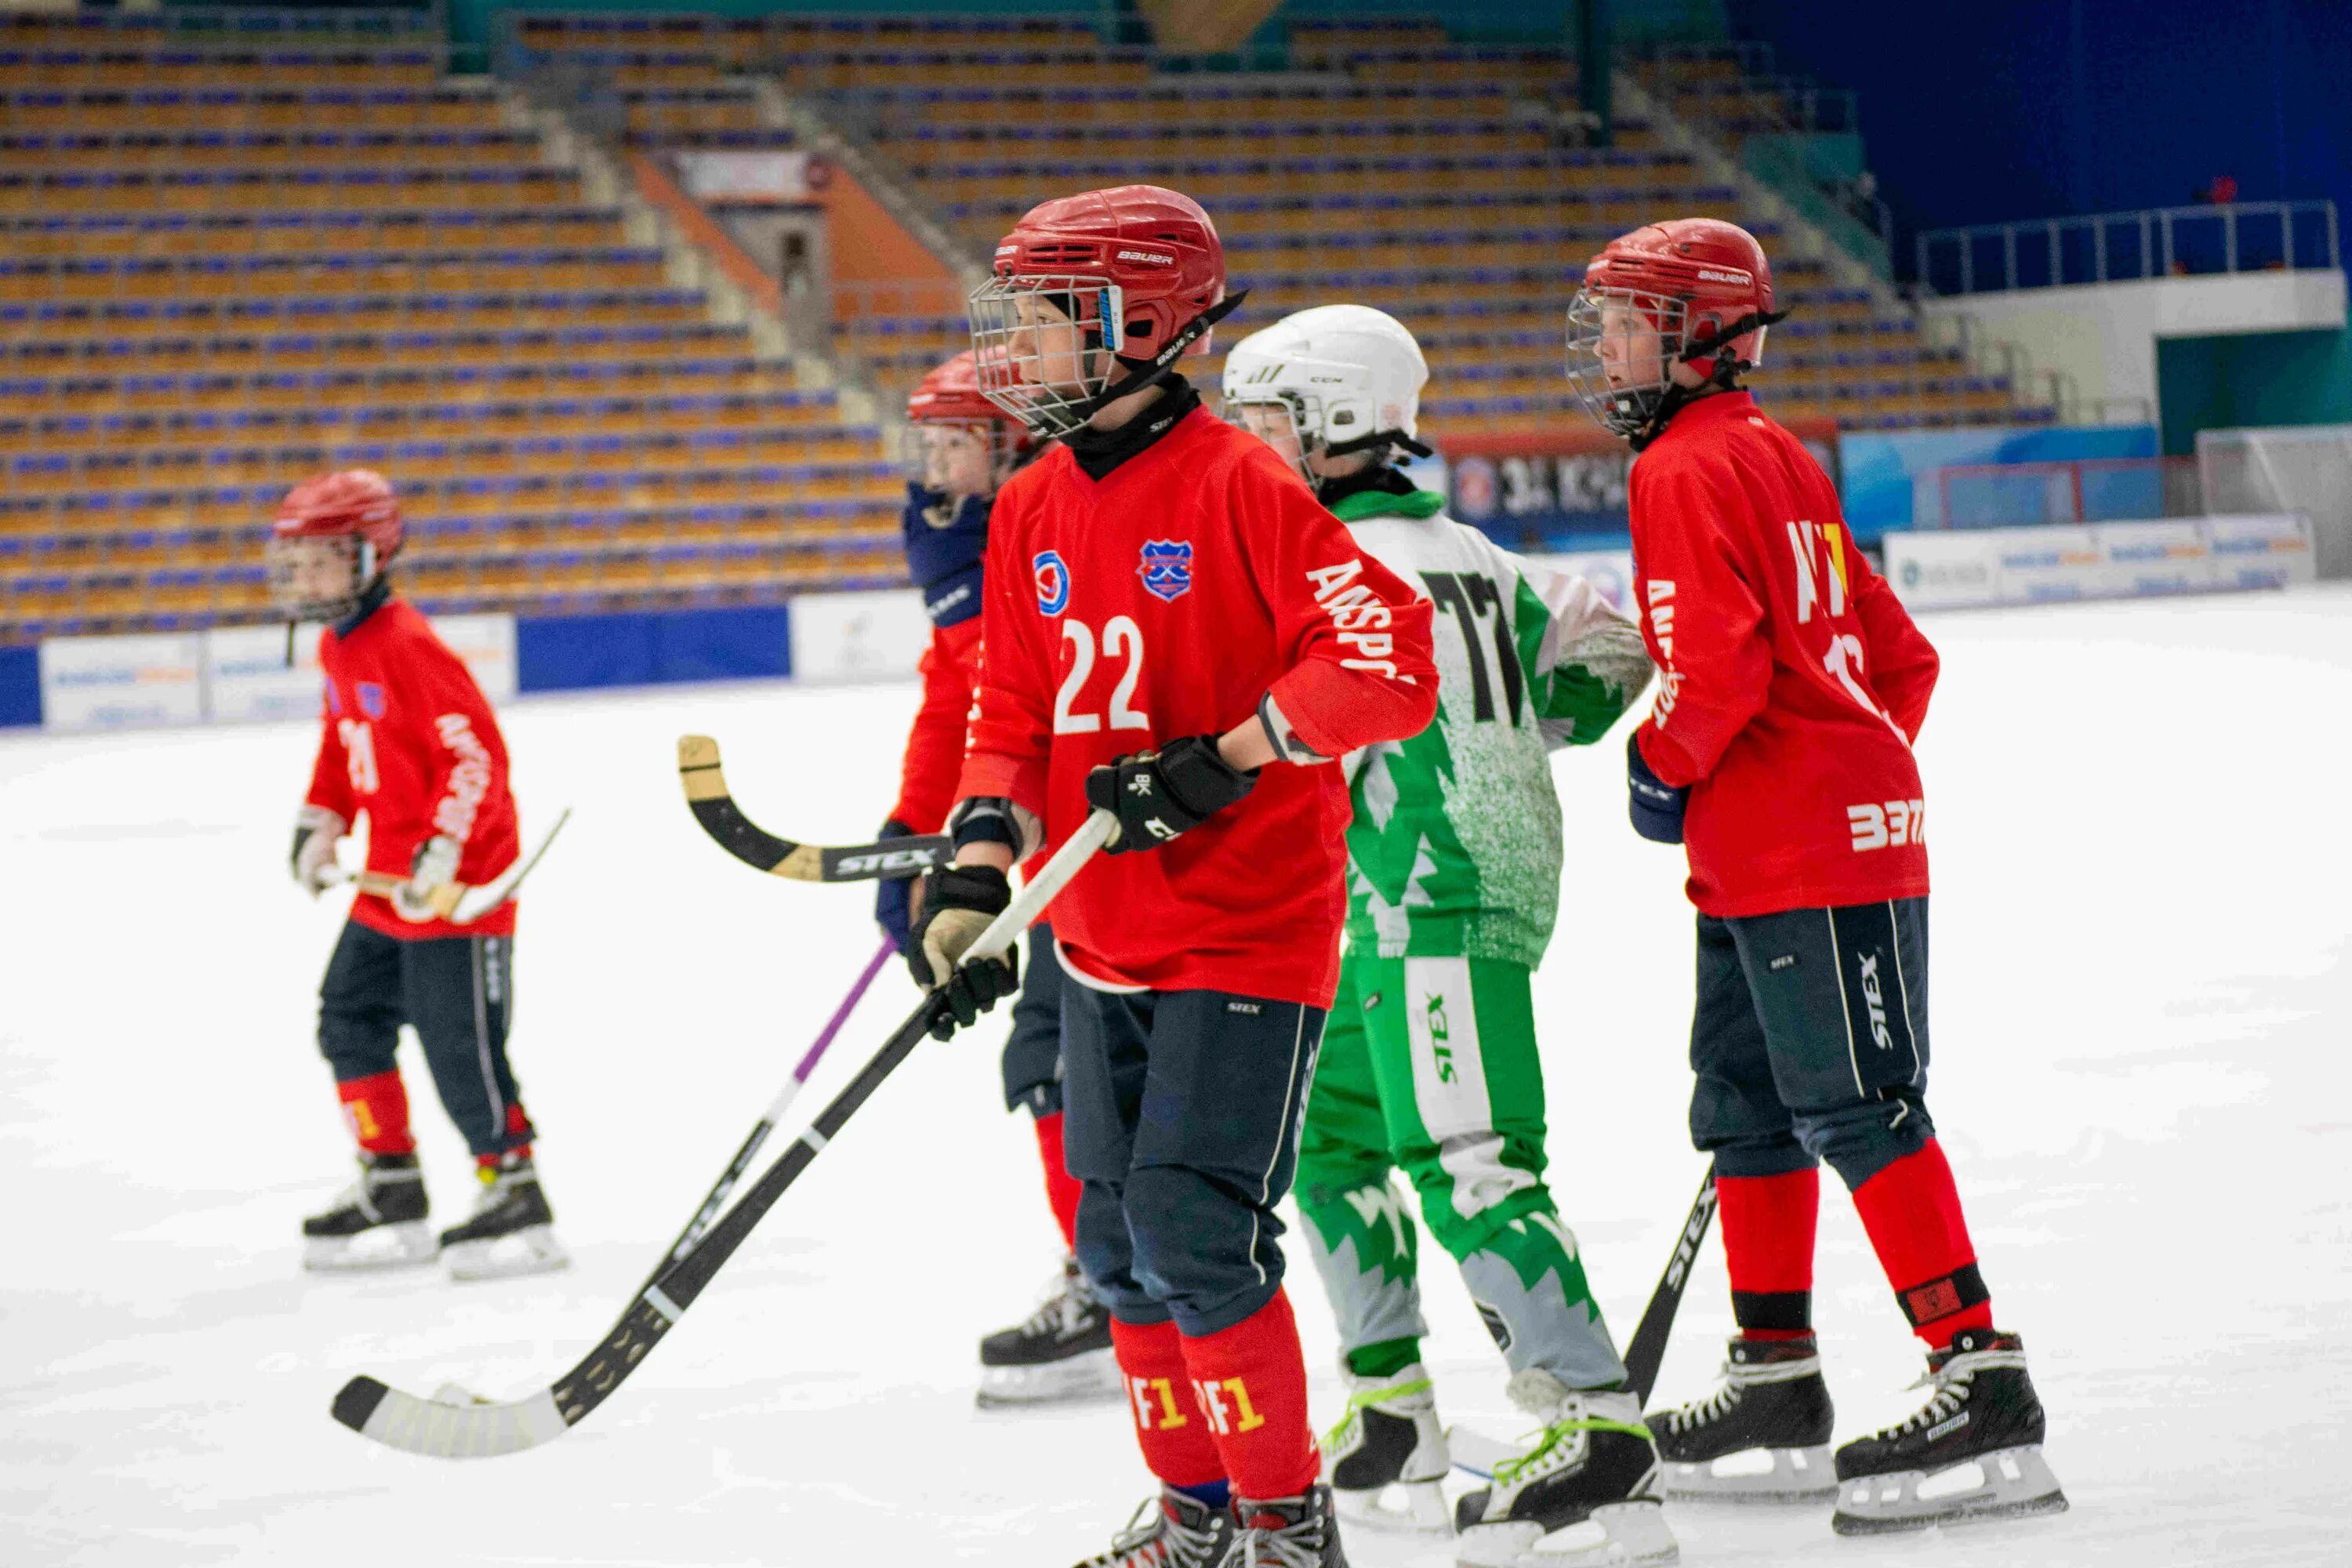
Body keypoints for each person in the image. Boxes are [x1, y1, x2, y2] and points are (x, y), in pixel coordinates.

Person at [910, 184, 1439, 1568]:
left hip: (1245, 933)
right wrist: (975, 867)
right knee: (1117, 1246)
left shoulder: (1242, 483)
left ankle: (1286, 1525)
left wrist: (1239, 749)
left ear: (1136, 320)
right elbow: (1012, 711)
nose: (1014, 353)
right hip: (1097, 934)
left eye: (1040, 321)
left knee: (1197, 1236)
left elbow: (1388, 664)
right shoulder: (1027, 506)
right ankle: (1198, 1518)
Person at [1562, 217, 2067, 1535]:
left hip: (1800, 850)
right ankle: (1774, 1375)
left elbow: (1716, 673)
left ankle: (1981, 1374)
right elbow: (1897, 659)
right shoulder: (1776, 454)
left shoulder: (1680, 467)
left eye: (1626, 321)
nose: (1605, 345)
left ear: (1695, 334)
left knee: (1857, 1105)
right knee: (1746, 1110)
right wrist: (1842, 781)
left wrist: (1662, 770)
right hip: (1780, 848)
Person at [1221, 304, 1674, 1568]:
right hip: (1385, 905)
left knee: (1469, 1158)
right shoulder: (1468, 548)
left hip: (1434, 899)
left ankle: (1597, 1436)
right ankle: (1390, 1413)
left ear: (1330, 427)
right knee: (1329, 1138)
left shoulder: (1335, 570)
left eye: (1263, 424)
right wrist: (1507, 737)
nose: (1244, 448)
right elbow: (1613, 654)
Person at [874, 350, 1114, 1406]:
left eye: (956, 445)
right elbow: (957, 695)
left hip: (1093, 845)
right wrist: (919, 822)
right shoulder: (958, 543)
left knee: (1063, 1061)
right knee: (1048, 1062)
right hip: (1028, 837)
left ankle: (1117, 1285)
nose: (935, 470)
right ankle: (1110, 1276)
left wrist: (988, 835)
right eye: (927, 446)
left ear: (1016, 440)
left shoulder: (1049, 524)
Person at [275, 470, 566, 1283]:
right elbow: (343, 745)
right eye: (297, 560)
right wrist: (322, 816)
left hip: (456, 890)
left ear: (372, 553)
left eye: (322, 558)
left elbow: (475, 756)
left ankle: (514, 1188)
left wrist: (441, 854)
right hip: (388, 888)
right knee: (348, 1016)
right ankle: (392, 1181)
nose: (305, 576)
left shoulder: (406, 643)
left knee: (459, 1044)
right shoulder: (339, 643)